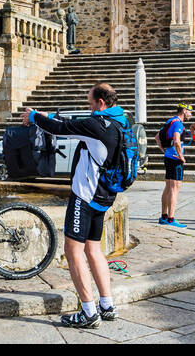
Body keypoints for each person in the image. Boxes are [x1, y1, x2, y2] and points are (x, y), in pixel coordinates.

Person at [22, 82, 130, 328]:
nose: (88, 107)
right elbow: (75, 123)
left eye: (91, 103)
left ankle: (89, 312)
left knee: (73, 250)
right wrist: (46, 115)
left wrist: (34, 116)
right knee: (93, 249)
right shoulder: (121, 120)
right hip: (105, 195)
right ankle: (107, 304)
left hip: (85, 196)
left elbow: (60, 129)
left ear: (101, 103)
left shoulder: (95, 126)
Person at [159, 104, 188, 227]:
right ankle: (171, 219)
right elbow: (176, 140)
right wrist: (181, 156)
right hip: (175, 159)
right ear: (184, 111)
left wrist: (164, 150)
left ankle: (164, 216)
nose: (190, 115)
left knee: (168, 187)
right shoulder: (179, 124)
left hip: (168, 157)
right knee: (174, 188)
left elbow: (157, 137)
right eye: (190, 112)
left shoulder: (170, 121)